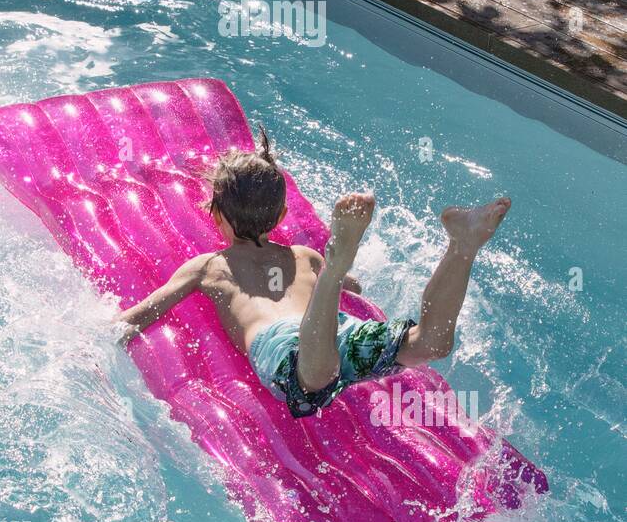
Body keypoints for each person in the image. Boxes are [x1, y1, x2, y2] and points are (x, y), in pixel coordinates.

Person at [118, 128, 510, 418]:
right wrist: (338, 277)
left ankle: (336, 269)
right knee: (430, 343)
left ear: (216, 214)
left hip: (287, 346)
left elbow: (144, 313)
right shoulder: (304, 255)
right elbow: (358, 291)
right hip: (338, 328)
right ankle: (461, 245)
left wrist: (98, 335)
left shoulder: (209, 267)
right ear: (282, 216)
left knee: (315, 377)